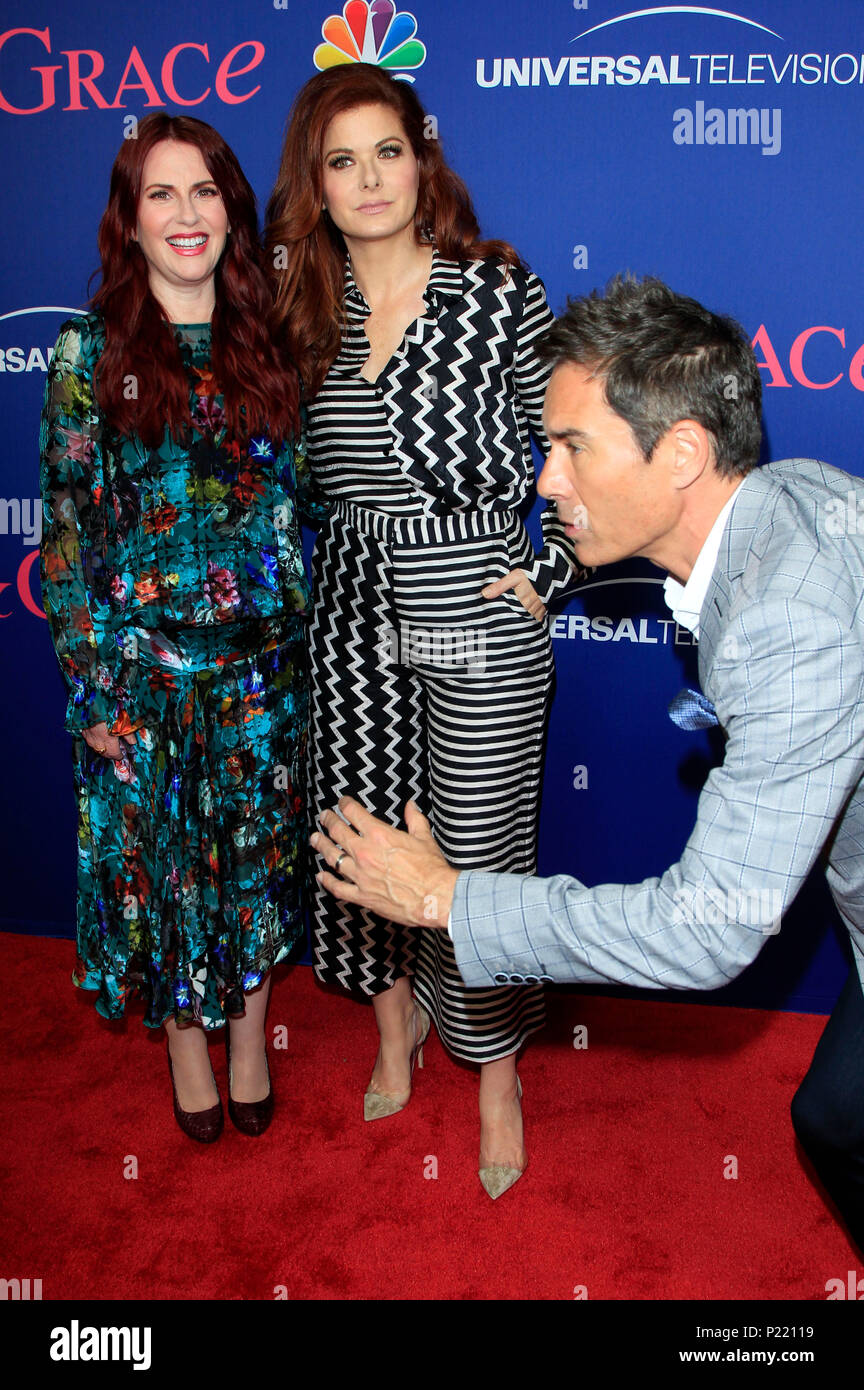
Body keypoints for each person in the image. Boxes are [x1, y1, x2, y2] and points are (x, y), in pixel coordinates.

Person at [311, 274, 864, 1253]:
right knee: (838, 1117)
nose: (543, 481)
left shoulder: (787, 617)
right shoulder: (784, 501)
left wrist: (449, 900)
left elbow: (711, 927)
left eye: (572, 447)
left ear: (684, 451)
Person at [265, 64, 584, 1197]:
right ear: (315, 181)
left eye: (386, 151)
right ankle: (393, 1030)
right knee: (361, 836)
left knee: (475, 842)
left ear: (422, 159)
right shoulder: (300, 301)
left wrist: (550, 565)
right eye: (340, 160)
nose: (368, 179)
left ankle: (494, 1066)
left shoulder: (497, 290)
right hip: (350, 595)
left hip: (468, 597)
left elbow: (573, 435)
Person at [40, 112, 321, 1142]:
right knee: (166, 874)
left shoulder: (272, 342)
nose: (186, 212)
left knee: (251, 865)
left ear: (231, 209)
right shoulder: (88, 352)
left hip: (264, 678)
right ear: (131, 217)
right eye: (162, 193)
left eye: (204, 190)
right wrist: (93, 687)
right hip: (144, 676)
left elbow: (303, 511)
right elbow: (67, 531)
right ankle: (185, 1046)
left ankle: (250, 1037)